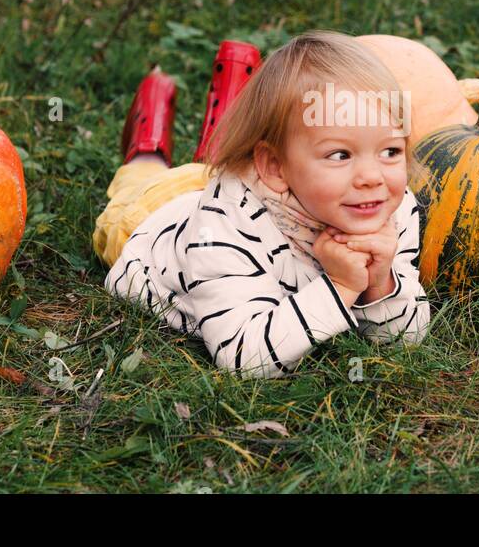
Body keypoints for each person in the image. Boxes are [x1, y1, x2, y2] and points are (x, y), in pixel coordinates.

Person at [97, 31, 431, 378]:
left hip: (246, 187)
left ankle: (225, 113)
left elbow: (406, 340)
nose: (372, 177)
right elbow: (244, 357)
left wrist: (380, 284)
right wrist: (341, 287)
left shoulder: (388, 208)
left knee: (210, 167)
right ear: (274, 166)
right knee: (138, 185)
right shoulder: (225, 225)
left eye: (391, 151)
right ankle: (148, 137)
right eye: (340, 154)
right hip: (156, 218)